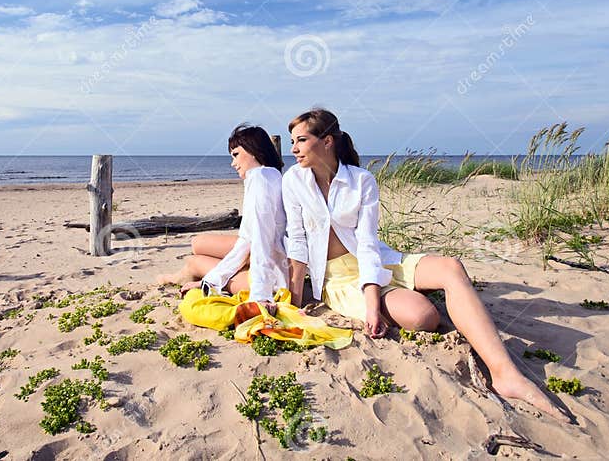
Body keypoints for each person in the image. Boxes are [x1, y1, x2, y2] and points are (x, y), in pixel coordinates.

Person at [283, 107, 567, 421]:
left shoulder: (361, 180)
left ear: (327, 142)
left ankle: (505, 373)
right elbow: (297, 243)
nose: (293, 149)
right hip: (338, 279)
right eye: (291, 142)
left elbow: (367, 245)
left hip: (379, 260)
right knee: (424, 317)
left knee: (451, 267)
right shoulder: (293, 180)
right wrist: (295, 302)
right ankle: (444, 315)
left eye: (301, 140)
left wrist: (373, 303)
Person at [157, 124, 288, 309]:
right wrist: (211, 280)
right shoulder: (268, 175)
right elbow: (250, 241)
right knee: (197, 244)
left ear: (253, 150)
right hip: (270, 261)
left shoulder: (260, 179)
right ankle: (193, 276)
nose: (233, 163)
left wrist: (260, 295)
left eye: (236, 154)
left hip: (271, 279)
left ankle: (183, 276)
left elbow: (260, 241)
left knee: (194, 261)